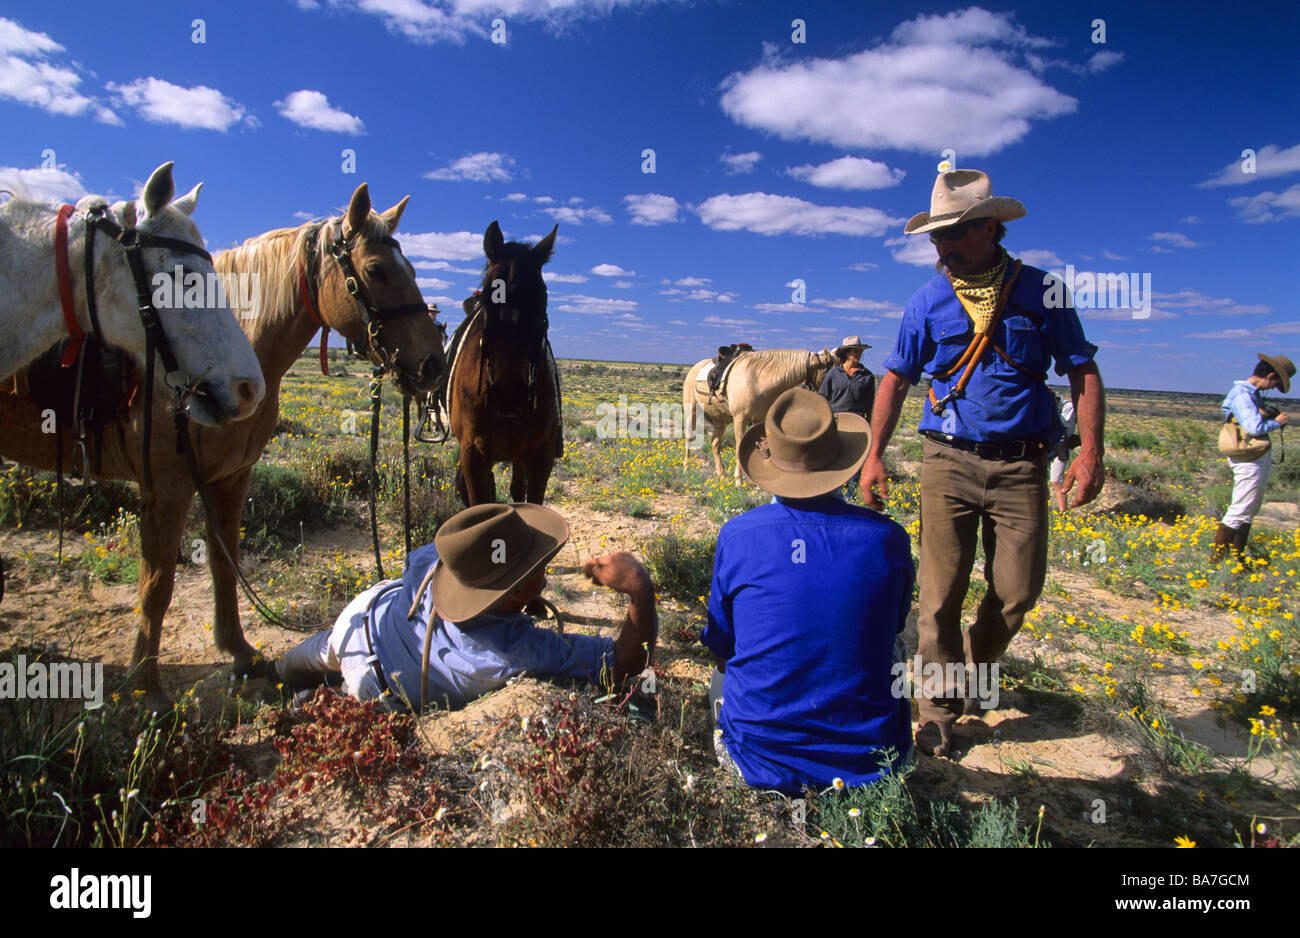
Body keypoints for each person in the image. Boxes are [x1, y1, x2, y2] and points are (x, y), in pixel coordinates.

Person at [859, 169, 1106, 758]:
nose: (942, 247)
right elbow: (895, 379)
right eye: (936, 237)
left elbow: (1082, 369)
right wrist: (873, 456)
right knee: (940, 595)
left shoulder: (1043, 291)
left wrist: (1092, 451)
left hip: (1023, 464)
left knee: (1017, 593)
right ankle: (938, 710)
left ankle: (972, 669)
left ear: (992, 227)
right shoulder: (926, 300)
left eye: (956, 234)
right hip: (947, 461)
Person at [701, 388, 914, 795]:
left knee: (723, 660)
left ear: (770, 465)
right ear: (842, 464)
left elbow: (721, 646)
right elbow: (896, 625)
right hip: (873, 768)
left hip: (753, 763)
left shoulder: (738, 535)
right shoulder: (888, 538)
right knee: (895, 648)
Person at [274, 503, 658, 711]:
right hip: (375, 688)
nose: (546, 569)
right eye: (538, 568)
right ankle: (326, 700)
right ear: (516, 594)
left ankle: (278, 670)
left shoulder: (435, 559)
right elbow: (621, 665)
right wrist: (639, 592)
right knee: (347, 690)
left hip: (359, 622)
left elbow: (421, 561)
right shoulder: (513, 650)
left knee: (306, 658)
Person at [1212, 353, 1294, 561]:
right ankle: (1217, 563)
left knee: (1249, 508)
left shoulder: (1250, 394)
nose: (1273, 388)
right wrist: (1277, 422)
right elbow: (1255, 427)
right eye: (1275, 383)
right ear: (1270, 375)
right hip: (1249, 458)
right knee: (1240, 508)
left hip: (1255, 455)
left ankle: (1236, 560)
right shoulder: (1243, 394)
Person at [818, 335, 876, 421]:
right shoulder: (834, 373)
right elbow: (822, 398)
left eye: (860, 351)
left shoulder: (867, 376)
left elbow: (869, 404)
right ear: (847, 353)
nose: (858, 354)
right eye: (855, 351)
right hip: (834, 419)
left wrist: (869, 423)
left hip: (857, 421)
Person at [1049, 394, 1079, 512]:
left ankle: (1063, 511)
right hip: (1048, 444)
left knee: (1056, 481)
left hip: (1061, 446)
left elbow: (1062, 424)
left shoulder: (1068, 407)